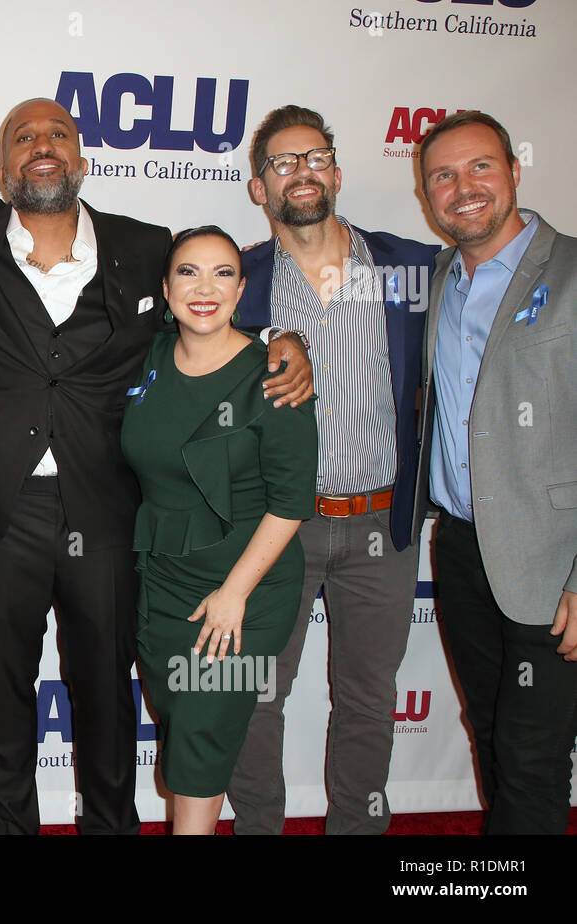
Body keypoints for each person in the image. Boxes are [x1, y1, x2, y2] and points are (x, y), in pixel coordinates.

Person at [0, 98, 312, 834]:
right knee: (4, 702)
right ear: (2, 173)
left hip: (107, 515)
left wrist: (284, 336)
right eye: (24, 137)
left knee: (104, 695)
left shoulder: (146, 245)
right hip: (0, 515)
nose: (43, 146)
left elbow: (205, 304)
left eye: (58, 134)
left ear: (83, 161)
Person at [227, 106, 441, 835]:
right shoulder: (239, 281)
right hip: (276, 529)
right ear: (260, 188)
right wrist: (267, 334)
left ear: (338, 172)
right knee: (256, 696)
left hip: (383, 521)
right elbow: (184, 357)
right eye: (283, 163)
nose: (302, 172)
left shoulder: (409, 267)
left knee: (366, 699)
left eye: (314, 156)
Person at [412, 111, 577, 834]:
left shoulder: (571, 270)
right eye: (442, 176)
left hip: (553, 560)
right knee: (492, 735)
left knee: (533, 754)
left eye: (479, 167)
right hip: (461, 548)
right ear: (426, 195)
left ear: (514, 170)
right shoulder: (440, 277)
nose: (463, 188)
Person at [124, 226, 318, 835]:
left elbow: (290, 503)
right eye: (188, 272)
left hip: (244, 592)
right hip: (161, 582)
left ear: (242, 289)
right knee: (182, 729)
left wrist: (234, 593)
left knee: (202, 742)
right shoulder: (149, 357)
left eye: (223, 274)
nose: (205, 288)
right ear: (165, 287)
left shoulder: (277, 377)